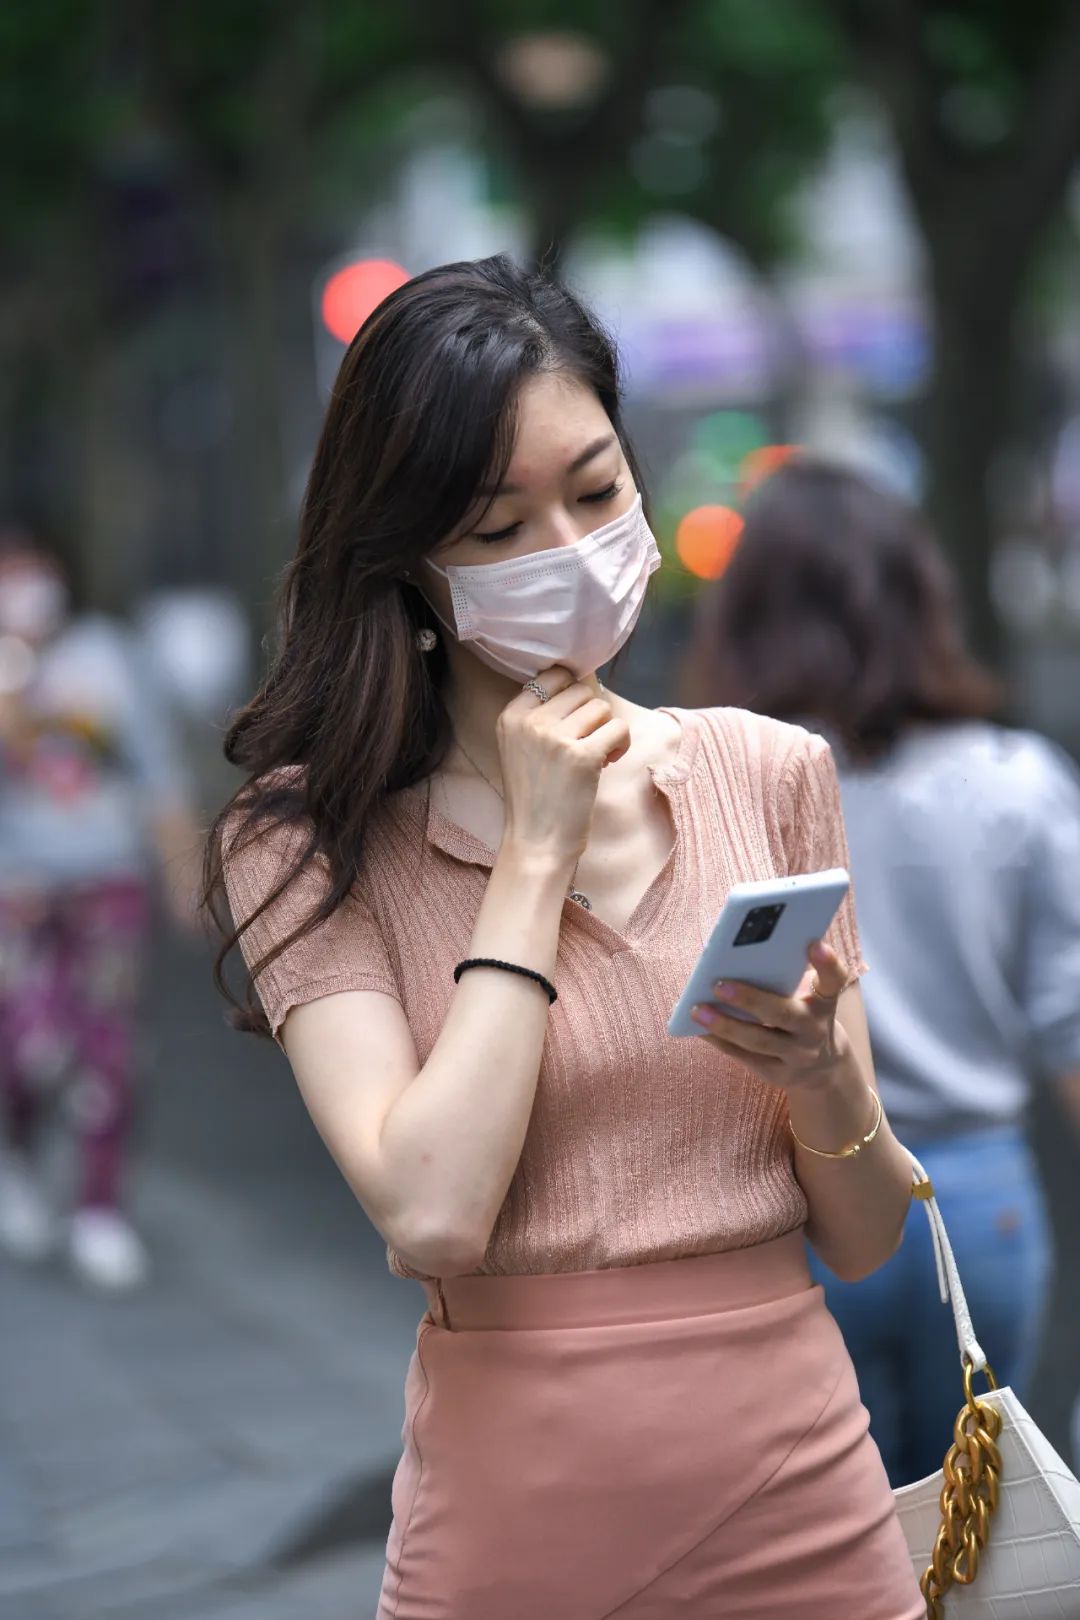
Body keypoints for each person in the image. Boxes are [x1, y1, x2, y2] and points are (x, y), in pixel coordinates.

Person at [207, 257, 923, 1618]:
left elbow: (871, 1232)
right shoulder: (308, 833)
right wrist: (534, 852)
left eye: (595, 493)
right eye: (494, 528)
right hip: (517, 1528)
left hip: (805, 1499)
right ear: (405, 561)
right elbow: (432, 1210)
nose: (568, 552)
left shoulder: (767, 772)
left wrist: (822, 1075)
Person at [681, 456, 1080, 1487]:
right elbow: (1070, 1024)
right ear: (920, 599)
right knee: (986, 1542)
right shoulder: (1016, 782)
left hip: (800, 1202)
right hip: (981, 1198)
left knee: (826, 1542)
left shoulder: (728, 793)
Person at [0, 525, 202, 1290]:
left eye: (32, 570)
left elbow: (158, 772)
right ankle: (18, 1155)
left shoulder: (110, 657)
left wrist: (184, 873)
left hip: (107, 878)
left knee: (107, 1048)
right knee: (29, 1044)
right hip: (16, 887)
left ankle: (99, 1209)